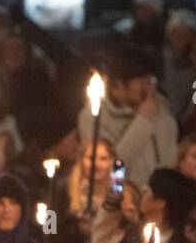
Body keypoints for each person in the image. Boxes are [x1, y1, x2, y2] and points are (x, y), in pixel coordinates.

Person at [75, 48, 178, 189]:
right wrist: (142, 124)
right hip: (120, 202)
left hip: (155, 202)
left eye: (151, 81)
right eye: (142, 83)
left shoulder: (161, 113)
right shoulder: (93, 117)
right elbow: (104, 171)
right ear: (118, 86)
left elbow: (170, 162)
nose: (149, 88)